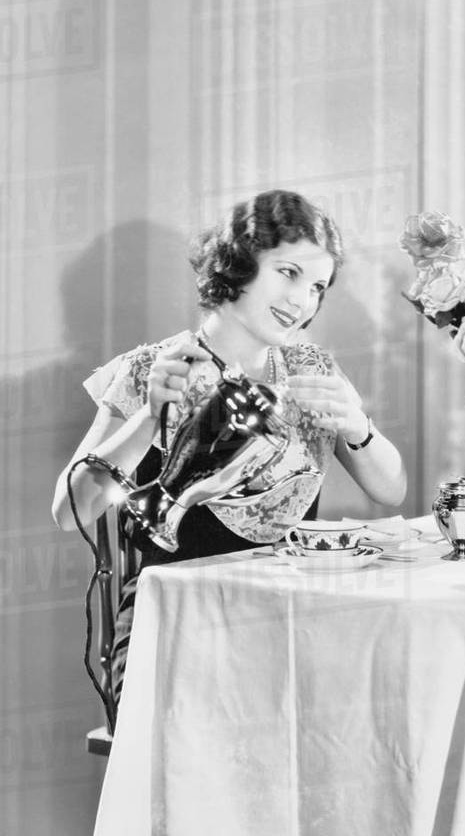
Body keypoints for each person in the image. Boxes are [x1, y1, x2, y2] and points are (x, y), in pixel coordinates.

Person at [53, 188, 407, 696]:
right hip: (178, 625)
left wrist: (359, 428)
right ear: (239, 262)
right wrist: (150, 417)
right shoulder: (152, 368)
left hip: (287, 620)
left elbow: (391, 490)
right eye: (288, 273)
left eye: (316, 287)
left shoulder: (313, 368)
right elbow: (69, 512)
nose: (300, 301)